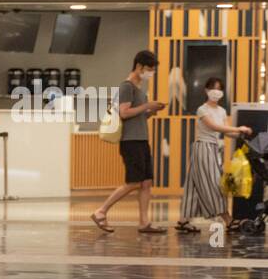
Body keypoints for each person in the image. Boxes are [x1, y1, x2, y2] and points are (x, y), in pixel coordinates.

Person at [92, 50, 166, 234]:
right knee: (133, 182)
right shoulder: (127, 86)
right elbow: (124, 113)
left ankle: (144, 222)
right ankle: (101, 211)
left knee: (147, 182)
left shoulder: (138, 88)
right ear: (139, 66)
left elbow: (137, 116)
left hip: (141, 138)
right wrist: (147, 106)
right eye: (149, 69)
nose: (151, 73)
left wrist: (151, 112)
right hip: (130, 141)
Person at [175, 76, 250, 233]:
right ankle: (228, 220)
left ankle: (183, 221)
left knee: (194, 184)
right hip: (203, 148)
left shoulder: (222, 111)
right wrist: (238, 129)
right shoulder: (202, 109)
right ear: (206, 90)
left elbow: (226, 131)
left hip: (214, 149)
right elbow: (215, 127)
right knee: (215, 184)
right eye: (214, 88)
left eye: (220, 89)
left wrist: (243, 133)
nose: (217, 92)